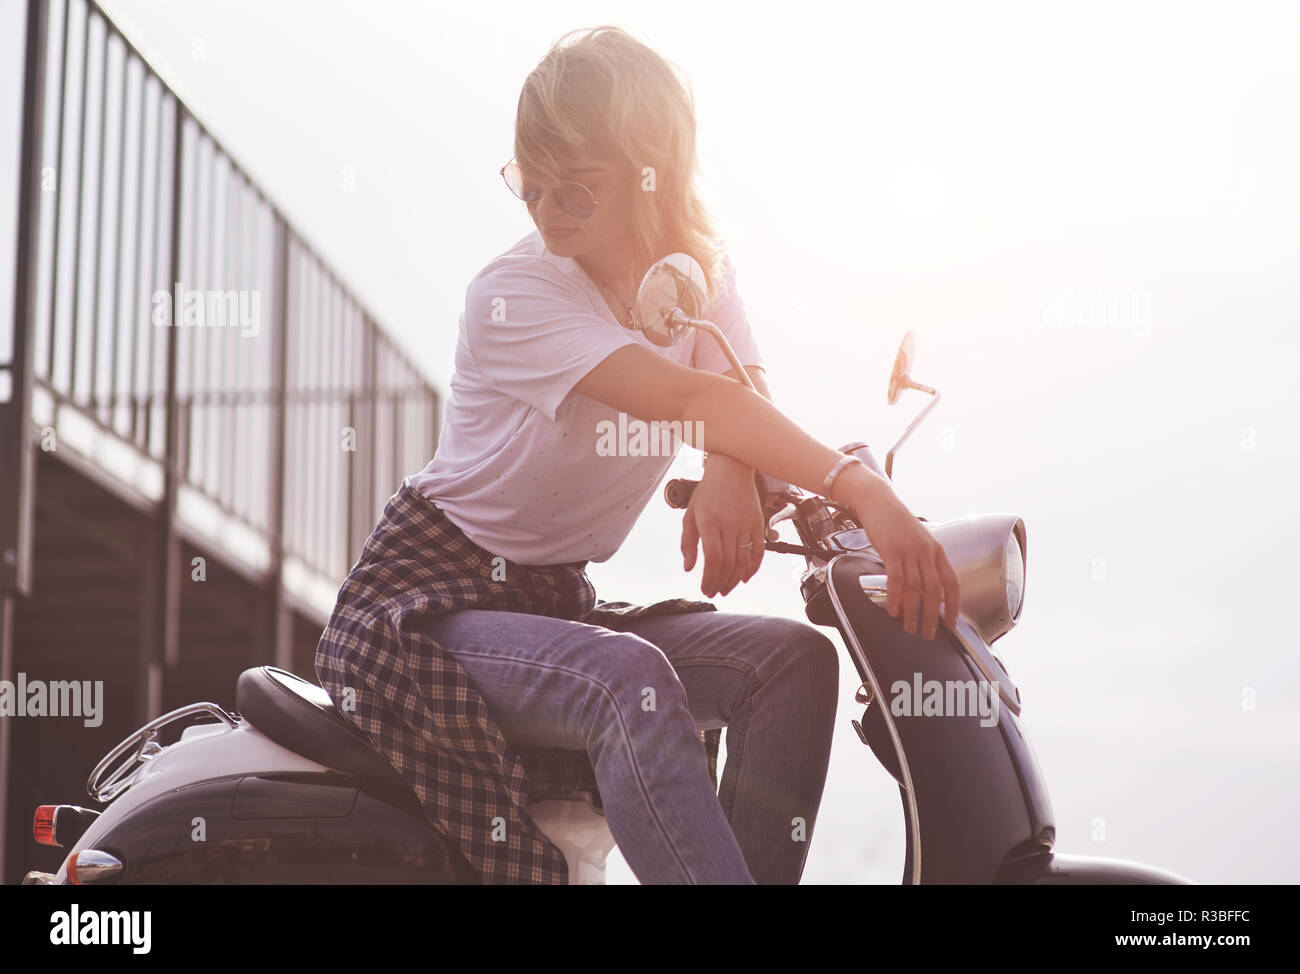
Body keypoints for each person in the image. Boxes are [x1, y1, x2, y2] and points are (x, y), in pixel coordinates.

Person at [318, 24, 959, 885]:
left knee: (794, 665)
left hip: (551, 600)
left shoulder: (698, 274)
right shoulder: (515, 297)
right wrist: (871, 500)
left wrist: (731, 469)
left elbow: (741, 389)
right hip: (431, 599)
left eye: (576, 191)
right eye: (530, 186)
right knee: (631, 680)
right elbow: (699, 399)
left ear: (650, 172)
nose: (548, 214)